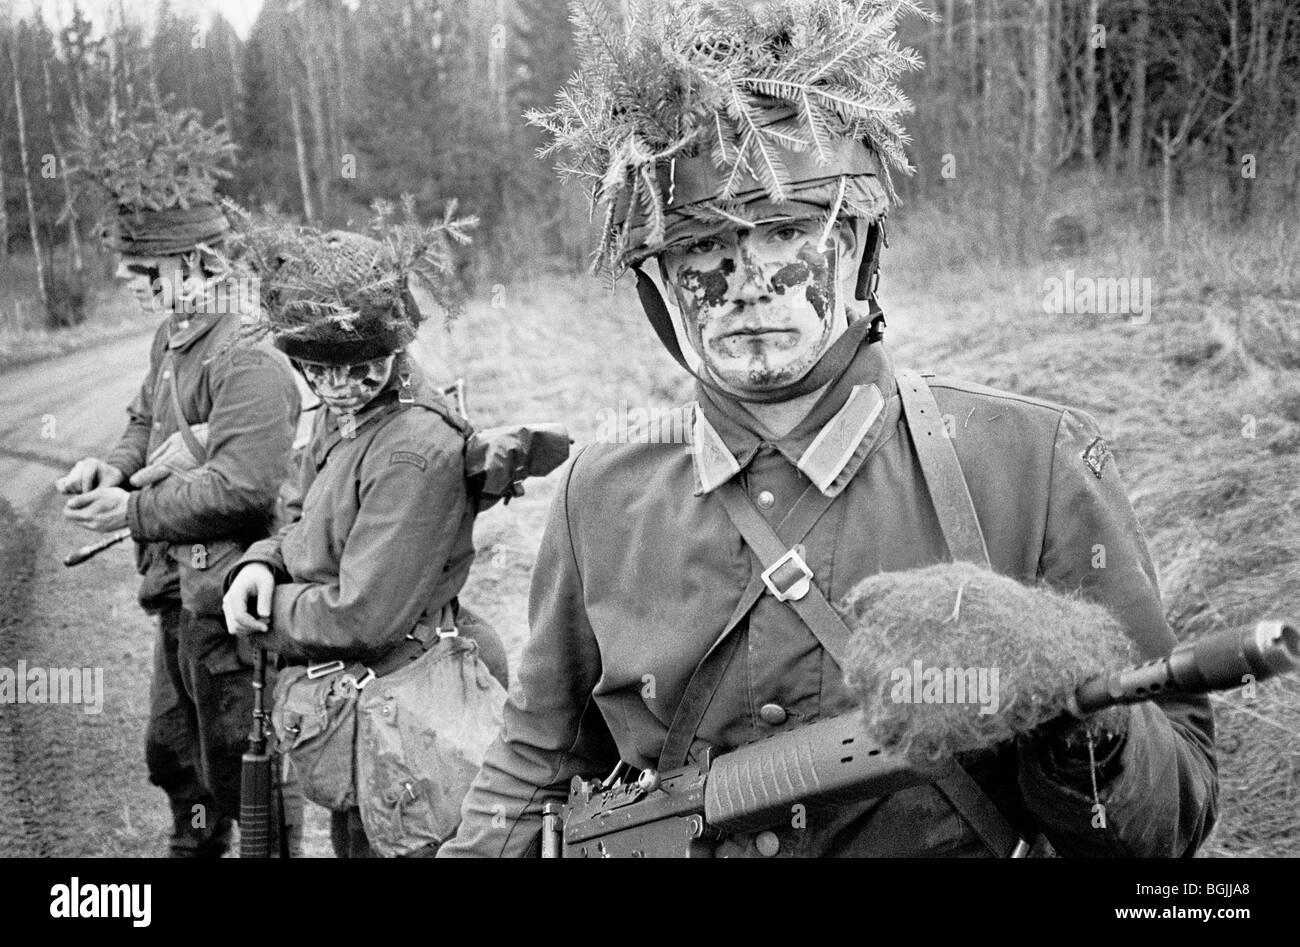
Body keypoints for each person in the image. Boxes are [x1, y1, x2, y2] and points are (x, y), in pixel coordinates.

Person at [441, 0, 1217, 858]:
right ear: (659, 284)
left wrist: (1085, 714)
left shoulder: (1030, 463)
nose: (745, 280)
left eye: (783, 230)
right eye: (701, 249)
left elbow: (1170, 826)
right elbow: (534, 760)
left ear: (856, 250)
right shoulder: (603, 489)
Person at [221, 222, 512, 858]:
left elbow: (362, 617)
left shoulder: (413, 449)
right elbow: (301, 518)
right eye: (318, 372)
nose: (341, 387)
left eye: (363, 369)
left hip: (407, 708)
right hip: (358, 709)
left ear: (399, 346)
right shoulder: (345, 409)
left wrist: (266, 616)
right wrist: (261, 563)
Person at [58, 107, 301, 857]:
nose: (128, 283)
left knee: (244, 774)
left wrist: (131, 512)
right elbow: (144, 419)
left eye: (143, 272)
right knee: (173, 753)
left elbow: (243, 490)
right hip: (177, 594)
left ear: (198, 265)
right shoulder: (174, 333)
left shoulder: (249, 354)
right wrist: (116, 466)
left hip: (232, 607)